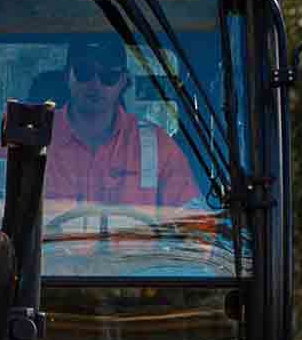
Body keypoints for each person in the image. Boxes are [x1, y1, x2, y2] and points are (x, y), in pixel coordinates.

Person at [43, 33, 198, 212]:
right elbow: (2, 216)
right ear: (66, 76)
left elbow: (192, 225)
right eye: (84, 72)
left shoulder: (157, 146)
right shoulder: (29, 139)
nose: (96, 84)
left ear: (124, 81)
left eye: (109, 76)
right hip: (49, 242)